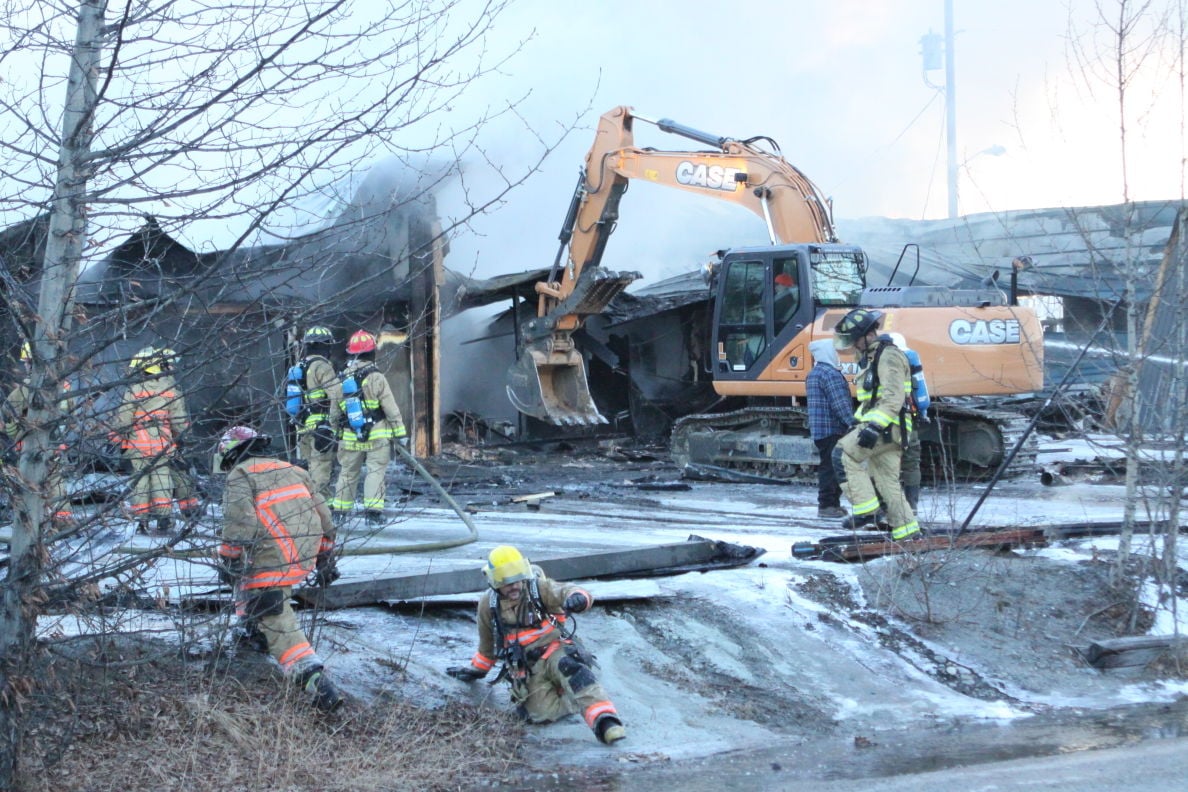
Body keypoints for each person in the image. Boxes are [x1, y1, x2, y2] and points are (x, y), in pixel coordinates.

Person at [214, 425, 343, 712]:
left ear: (230, 454)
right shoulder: (294, 469)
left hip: (273, 557)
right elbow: (325, 516)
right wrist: (325, 558)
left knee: (277, 618)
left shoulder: (241, 475)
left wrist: (229, 558)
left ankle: (315, 680)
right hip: (302, 553)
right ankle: (251, 629)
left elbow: (239, 523)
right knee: (249, 584)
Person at [445, 546, 626, 745]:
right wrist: (476, 671)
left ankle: (606, 722)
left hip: (556, 649)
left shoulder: (538, 589)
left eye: (516, 579)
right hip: (527, 667)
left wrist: (579, 598)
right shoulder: (488, 606)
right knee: (541, 715)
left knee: (573, 671)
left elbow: (565, 590)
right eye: (506, 582)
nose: (513, 586)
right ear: (494, 581)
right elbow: (487, 647)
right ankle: (567, 695)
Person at [831, 309, 920, 541]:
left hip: (888, 427)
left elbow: (892, 398)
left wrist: (873, 427)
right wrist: (858, 422)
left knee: (842, 454)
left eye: (854, 340)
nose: (852, 345)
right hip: (892, 429)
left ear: (868, 335)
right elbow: (871, 400)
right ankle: (907, 531)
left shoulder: (887, 355)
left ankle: (866, 511)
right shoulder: (873, 357)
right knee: (886, 479)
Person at [114, 346, 199, 533]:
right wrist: (185, 437)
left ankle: (142, 521)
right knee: (162, 479)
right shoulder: (170, 389)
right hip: (163, 443)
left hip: (138, 445)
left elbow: (123, 419)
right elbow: (178, 421)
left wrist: (122, 437)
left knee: (140, 482)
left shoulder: (134, 389)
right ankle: (163, 518)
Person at [328, 330, 408, 525]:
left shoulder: (341, 379)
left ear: (350, 353)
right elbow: (390, 407)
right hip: (376, 436)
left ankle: (339, 512)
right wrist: (401, 433)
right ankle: (372, 515)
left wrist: (336, 432)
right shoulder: (376, 377)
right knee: (375, 472)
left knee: (347, 472)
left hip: (349, 436)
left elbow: (335, 412)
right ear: (372, 352)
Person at [1, 342, 75, 526]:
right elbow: (71, 414)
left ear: (31, 363)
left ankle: (32, 524)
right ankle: (63, 522)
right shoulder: (64, 385)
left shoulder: (25, 389)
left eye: (26, 362)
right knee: (57, 483)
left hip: (31, 447)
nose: (24, 366)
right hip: (56, 445)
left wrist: (13, 434)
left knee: (30, 485)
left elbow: (7, 414)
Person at [806, 338, 855, 519]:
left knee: (827, 466)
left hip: (820, 430)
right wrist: (853, 423)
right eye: (834, 351)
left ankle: (831, 504)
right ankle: (827, 505)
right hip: (833, 428)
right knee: (832, 468)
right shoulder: (831, 374)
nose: (837, 355)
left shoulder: (814, 373)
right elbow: (840, 404)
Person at [290, 326, 341, 501]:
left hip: (303, 425)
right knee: (321, 467)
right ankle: (322, 506)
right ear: (326, 346)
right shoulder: (322, 366)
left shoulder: (299, 366)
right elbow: (337, 395)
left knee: (306, 469)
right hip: (321, 427)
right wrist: (333, 425)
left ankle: (305, 505)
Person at [884, 332, 927, 511]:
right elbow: (920, 395)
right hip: (912, 419)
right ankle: (912, 504)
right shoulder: (912, 359)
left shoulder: (887, 361)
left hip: (890, 422)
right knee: (911, 462)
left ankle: (890, 505)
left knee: (887, 463)